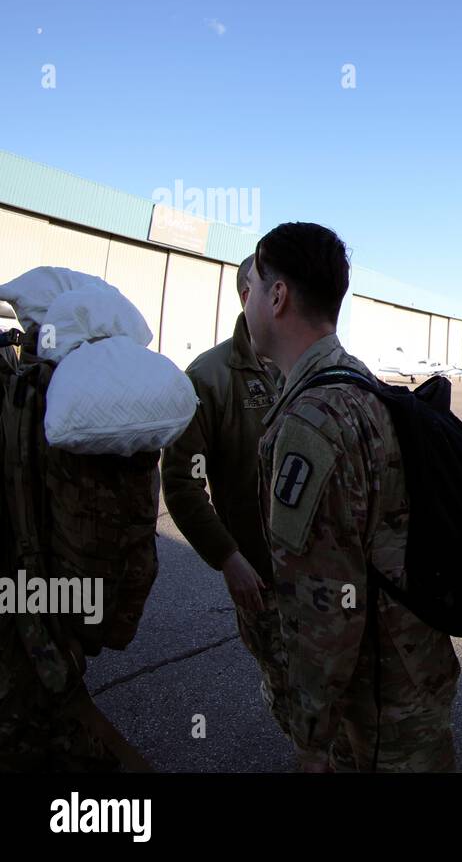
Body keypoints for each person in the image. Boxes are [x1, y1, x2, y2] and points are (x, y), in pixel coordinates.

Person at [246, 222, 458, 772]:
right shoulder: (363, 385)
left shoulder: (312, 420)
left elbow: (325, 601)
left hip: (372, 700)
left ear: (277, 296)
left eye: (249, 289)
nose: (245, 305)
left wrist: (311, 737)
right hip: (413, 666)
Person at [161, 256, 289, 735]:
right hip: (260, 571)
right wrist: (228, 556)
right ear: (247, 296)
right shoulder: (208, 378)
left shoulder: (312, 368)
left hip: (327, 575)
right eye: (274, 288)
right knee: (286, 682)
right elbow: (180, 481)